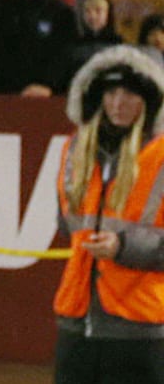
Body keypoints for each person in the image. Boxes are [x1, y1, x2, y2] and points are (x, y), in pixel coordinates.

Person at [54, 46, 164, 384]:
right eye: (111, 92)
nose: (118, 103)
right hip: (77, 319)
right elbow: (66, 224)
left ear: (149, 101)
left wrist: (123, 246)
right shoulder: (74, 148)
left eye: (130, 94)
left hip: (139, 326)